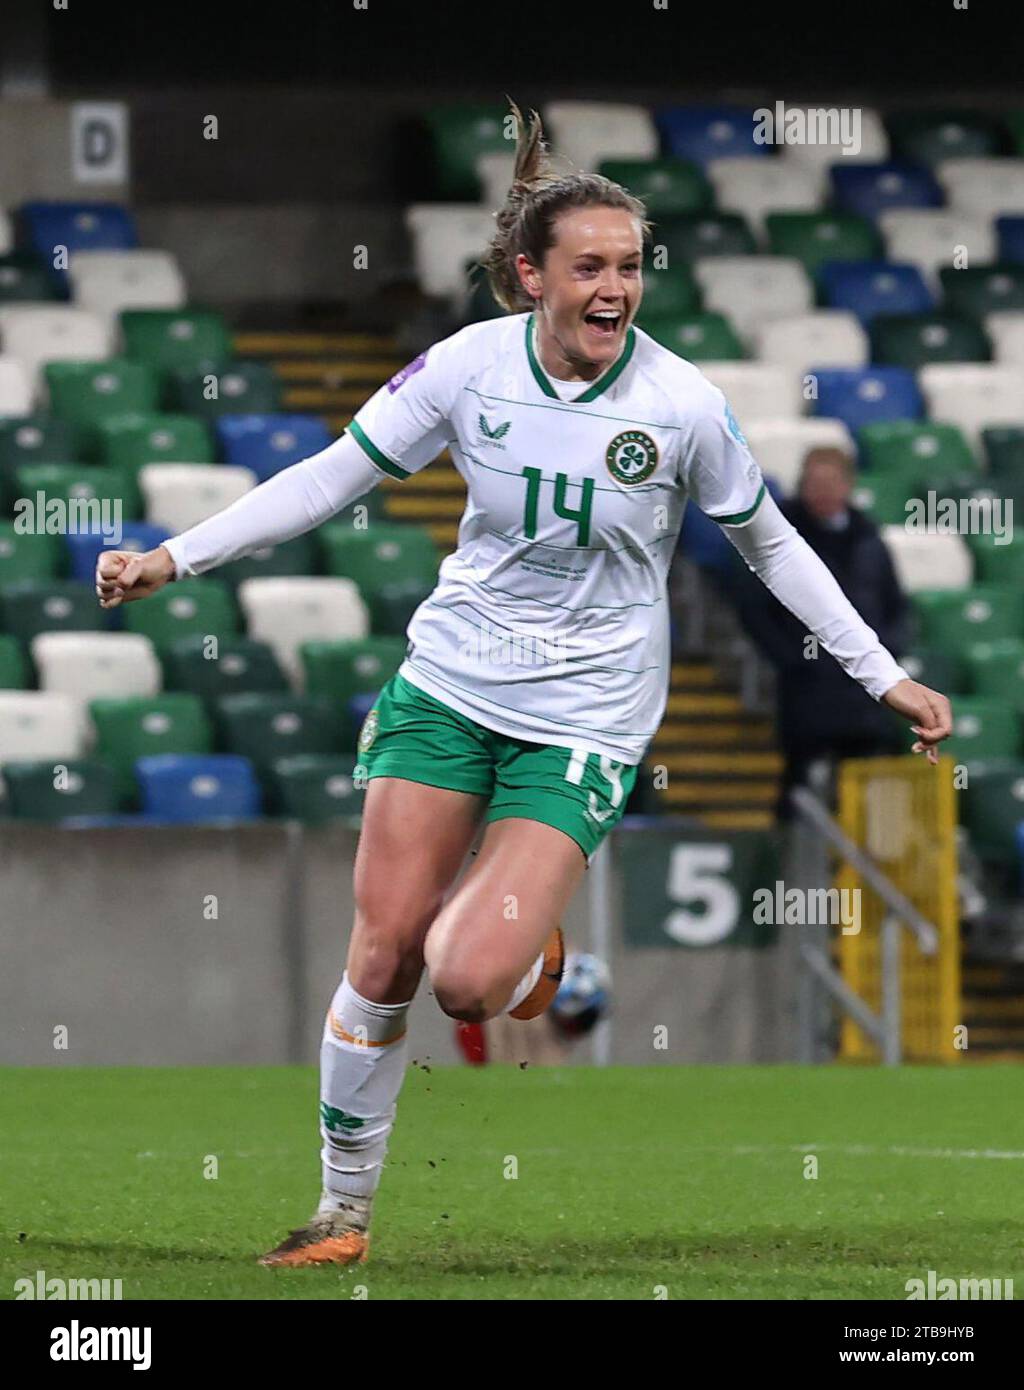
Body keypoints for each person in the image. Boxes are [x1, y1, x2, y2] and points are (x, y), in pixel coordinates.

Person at [95, 104, 952, 1268]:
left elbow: (774, 546)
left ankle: (529, 948)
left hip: (588, 715)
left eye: (630, 267)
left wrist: (878, 674)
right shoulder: (466, 369)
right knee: (384, 952)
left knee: (464, 981)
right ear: (529, 275)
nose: (616, 287)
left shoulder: (682, 406)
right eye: (590, 266)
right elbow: (326, 479)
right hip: (450, 683)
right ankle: (342, 1214)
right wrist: (171, 556)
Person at [733, 446, 912, 820]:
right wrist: (790, 659)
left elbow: (895, 603)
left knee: (865, 790)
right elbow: (753, 606)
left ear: (849, 485)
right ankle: (790, 868)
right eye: (815, 482)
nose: (823, 491)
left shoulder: (868, 537)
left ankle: (858, 870)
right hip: (808, 689)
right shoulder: (781, 535)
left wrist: (886, 653)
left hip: (864, 694)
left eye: (832, 482)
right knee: (798, 782)